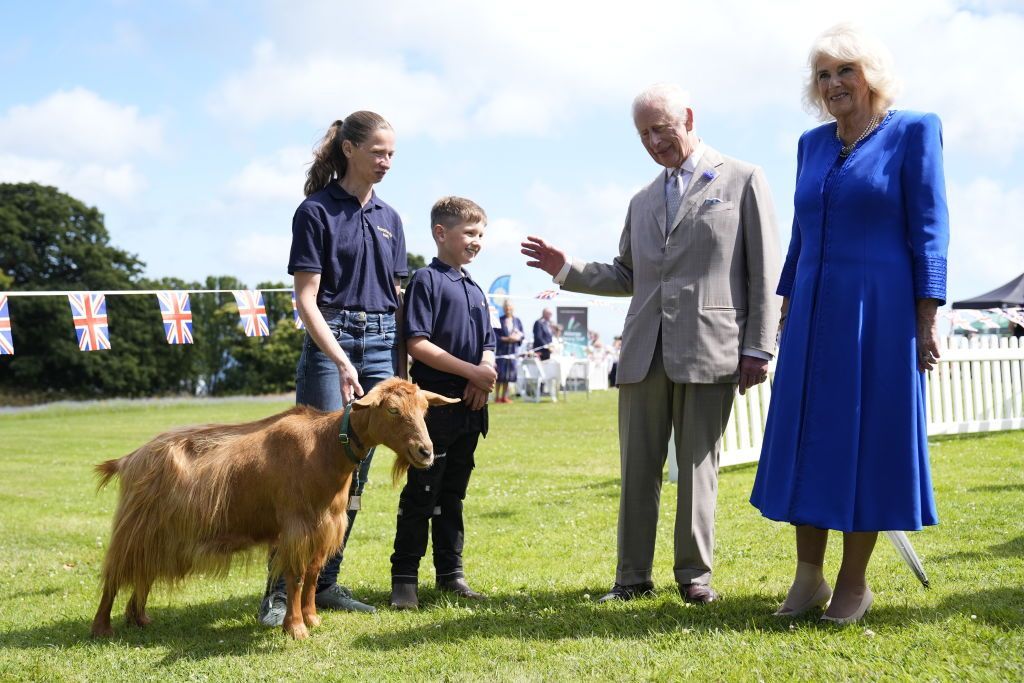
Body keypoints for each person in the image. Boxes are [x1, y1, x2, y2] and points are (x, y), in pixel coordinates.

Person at [522, 83, 781, 604]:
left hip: (712, 349)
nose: (653, 142)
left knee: (696, 467)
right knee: (637, 469)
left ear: (687, 117)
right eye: (642, 134)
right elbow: (627, 273)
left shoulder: (744, 178)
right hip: (643, 352)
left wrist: (759, 347)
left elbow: (765, 271)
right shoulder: (641, 200)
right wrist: (566, 269)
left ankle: (694, 576)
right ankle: (631, 578)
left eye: (660, 129)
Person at [750, 23, 948, 624]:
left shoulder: (914, 130)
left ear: (872, 75)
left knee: (867, 442)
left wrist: (927, 316)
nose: (833, 83)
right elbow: (801, 236)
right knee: (808, 438)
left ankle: (853, 583)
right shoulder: (811, 143)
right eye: (823, 74)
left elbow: (930, 229)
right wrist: (784, 307)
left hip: (880, 315)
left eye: (845, 70)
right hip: (811, 312)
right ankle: (807, 577)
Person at [258, 111, 408, 626]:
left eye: (392, 153)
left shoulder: (391, 219)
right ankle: (280, 595)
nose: (386, 161)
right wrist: (341, 357)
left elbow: (396, 299)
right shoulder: (316, 212)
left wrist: (400, 374)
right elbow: (306, 299)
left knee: (356, 474)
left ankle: (324, 583)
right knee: (309, 474)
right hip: (332, 341)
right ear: (349, 150)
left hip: (383, 343)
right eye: (378, 152)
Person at [389, 196, 497, 609]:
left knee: (452, 496)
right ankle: (404, 580)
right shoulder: (426, 281)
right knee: (422, 493)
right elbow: (417, 342)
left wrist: (482, 378)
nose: (477, 241)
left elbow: (487, 344)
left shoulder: (474, 287)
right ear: (441, 233)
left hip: (472, 410)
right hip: (436, 413)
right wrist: (470, 373)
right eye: (469, 233)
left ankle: (451, 574)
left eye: (481, 234)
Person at [494, 300, 524, 403]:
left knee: (508, 375)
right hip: (502, 351)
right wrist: (506, 339)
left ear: (512, 308)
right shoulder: (499, 320)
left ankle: (504, 397)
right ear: (504, 308)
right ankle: (497, 397)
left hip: (512, 352)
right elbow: (495, 335)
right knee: (500, 374)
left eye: (510, 307)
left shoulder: (517, 321)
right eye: (506, 307)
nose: (508, 309)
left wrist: (517, 338)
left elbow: (521, 334)